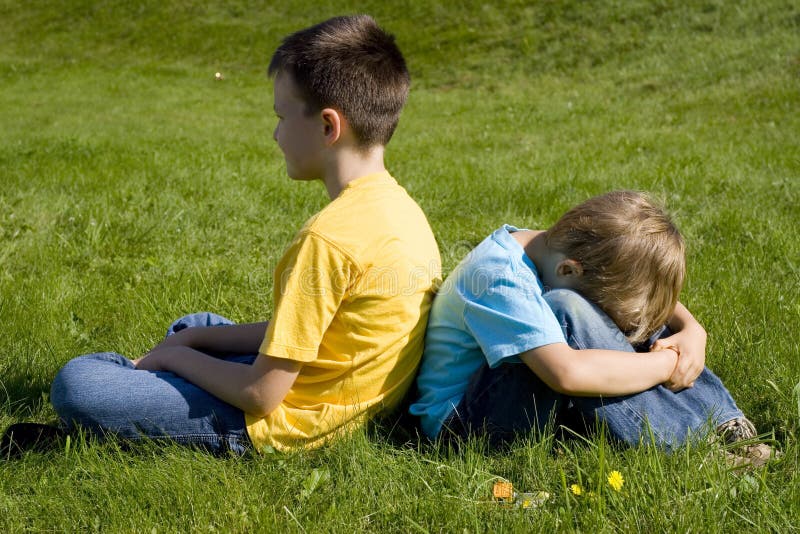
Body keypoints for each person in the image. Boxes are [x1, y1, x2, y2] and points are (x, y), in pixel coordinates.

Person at [2, 15, 441, 457]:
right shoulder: (402, 210)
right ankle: (158, 375)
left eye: (282, 117)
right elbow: (326, 333)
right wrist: (192, 343)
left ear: (328, 127)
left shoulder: (327, 240)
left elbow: (261, 395)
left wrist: (176, 358)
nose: (275, 133)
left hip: (283, 424)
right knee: (197, 327)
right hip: (343, 397)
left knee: (79, 385)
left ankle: (137, 383)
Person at [409, 190, 774, 466]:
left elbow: (646, 301)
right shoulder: (497, 276)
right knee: (567, 308)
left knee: (635, 309)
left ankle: (725, 423)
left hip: (511, 387)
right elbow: (567, 374)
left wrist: (693, 331)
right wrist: (665, 364)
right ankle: (691, 446)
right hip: (462, 426)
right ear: (569, 270)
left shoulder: (549, 252)